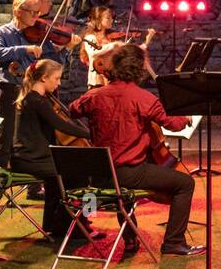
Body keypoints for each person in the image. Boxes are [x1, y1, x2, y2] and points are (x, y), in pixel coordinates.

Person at [68, 44, 205, 256]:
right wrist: (186, 118)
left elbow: (73, 110)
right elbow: (173, 124)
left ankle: (131, 239)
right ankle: (173, 243)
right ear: (138, 70)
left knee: (126, 191)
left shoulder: (94, 95)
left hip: (99, 174)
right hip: (128, 173)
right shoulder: (144, 98)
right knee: (185, 183)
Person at [9, 59, 96, 244]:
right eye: (56, 78)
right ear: (43, 78)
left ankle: (59, 225)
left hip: (28, 157)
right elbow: (61, 125)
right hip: (30, 159)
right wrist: (92, 134)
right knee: (85, 172)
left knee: (59, 181)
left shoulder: (33, 98)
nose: (59, 83)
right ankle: (82, 221)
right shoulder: (36, 101)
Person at [0, 0, 79, 166]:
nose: (37, 17)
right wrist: (25, 49)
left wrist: (67, 50)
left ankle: (35, 186)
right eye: (33, 12)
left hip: (33, 94)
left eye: (38, 13)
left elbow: (53, 66)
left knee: (36, 138)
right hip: (11, 91)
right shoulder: (1, 33)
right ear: (17, 11)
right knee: (5, 137)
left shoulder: (39, 35)